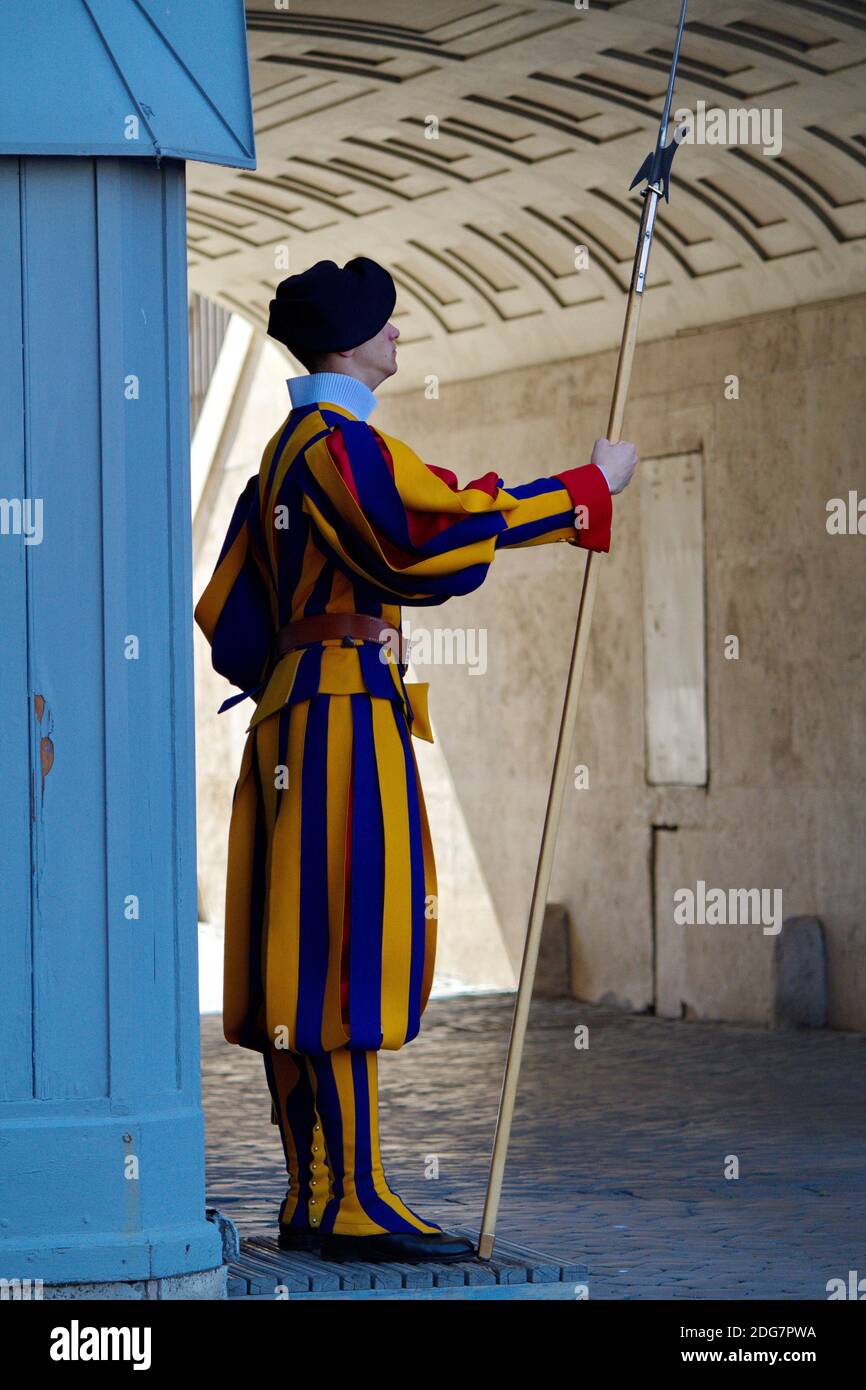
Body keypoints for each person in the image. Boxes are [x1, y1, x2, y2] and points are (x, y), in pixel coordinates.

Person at [195, 256, 638, 1263]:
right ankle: (349, 1200)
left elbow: (226, 614)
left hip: (293, 714)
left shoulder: (278, 456)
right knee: (352, 949)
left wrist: (331, 629)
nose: (400, 338)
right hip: (342, 721)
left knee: (302, 959)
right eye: (385, 325)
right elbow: (423, 532)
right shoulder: (337, 443)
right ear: (346, 345)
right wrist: (581, 492)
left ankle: (315, 1195)